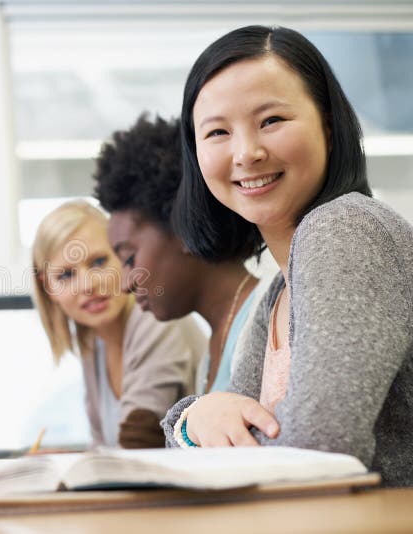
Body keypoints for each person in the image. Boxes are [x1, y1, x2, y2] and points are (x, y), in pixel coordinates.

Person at [159, 25, 413, 487]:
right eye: (217, 131)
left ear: (329, 129)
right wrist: (193, 421)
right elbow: (222, 445)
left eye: (271, 121)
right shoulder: (281, 287)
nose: (247, 152)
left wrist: (196, 419)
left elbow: (321, 451)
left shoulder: (345, 228)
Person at [93, 114, 273, 394]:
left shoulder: (272, 322)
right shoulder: (212, 353)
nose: (125, 283)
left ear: (184, 228)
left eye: (129, 259)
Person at [32, 200, 206, 448]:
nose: (87, 285)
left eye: (98, 262)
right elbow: (107, 449)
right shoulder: (94, 342)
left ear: (122, 257)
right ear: (47, 288)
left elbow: (138, 445)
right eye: (66, 275)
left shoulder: (155, 320)